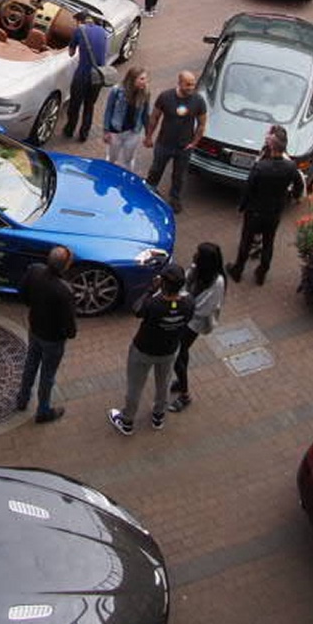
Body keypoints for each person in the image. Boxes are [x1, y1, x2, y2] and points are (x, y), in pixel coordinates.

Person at [109, 261, 193, 436]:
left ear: (163, 283)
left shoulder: (154, 304)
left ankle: (127, 420)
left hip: (143, 350)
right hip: (169, 351)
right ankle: (158, 415)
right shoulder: (188, 303)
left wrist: (150, 289)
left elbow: (137, 310)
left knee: (135, 386)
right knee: (163, 384)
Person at [231, 125, 306, 285]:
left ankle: (238, 270)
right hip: (274, 211)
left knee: (246, 241)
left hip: (255, 211)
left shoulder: (260, 167)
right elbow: (299, 184)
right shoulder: (291, 166)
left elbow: (249, 188)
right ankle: (262, 273)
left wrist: (242, 206)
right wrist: (293, 196)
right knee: (268, 242)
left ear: (271, 147)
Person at [13, 247, 78, 424]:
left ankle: (22, 399)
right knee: (47, 375)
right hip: (53, 339)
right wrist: (70, 333)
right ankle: (43, 410)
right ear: (65, 266)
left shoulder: (35, 270)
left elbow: (22, 293)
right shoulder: (64, 291)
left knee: (30, 364)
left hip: (35, 328)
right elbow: (69, 322)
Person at [168, 243, 227, 411]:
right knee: (182, 352)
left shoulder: (217, 282)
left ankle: (185, 395)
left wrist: (180, 310)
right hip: (184, 316)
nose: (195, 256)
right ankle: (181, 383)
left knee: (178, 356)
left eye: (198, 254)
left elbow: (203, 309)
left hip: (193, 323)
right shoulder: (195, 270)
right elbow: (183, 286)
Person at [144, 69, 206, 212]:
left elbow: (202, 124)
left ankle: (175, 198)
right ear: (179, 83)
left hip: (184, 147)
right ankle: (149, 191)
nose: (191, 88)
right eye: (188, 84)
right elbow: (154, 118)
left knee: (179, 175)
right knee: (156, 170)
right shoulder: (165, 97)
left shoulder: (198, 101)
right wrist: (148, 137)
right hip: (164, 143)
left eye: (193, 84)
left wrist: (194, 143)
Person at [63, 12, 111, 141]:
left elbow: (71, 53)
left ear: (80, 21)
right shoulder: (103, 31)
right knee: (89, 105)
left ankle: (69, 130)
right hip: (98, 76)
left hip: (83, 74)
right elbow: (104, 52)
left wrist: (75, 45)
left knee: (75, 104)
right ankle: (84, 134)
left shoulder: (79, 30)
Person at [101, 65, 152, 171]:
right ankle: (108, 173)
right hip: (116, 130)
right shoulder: (116, 90)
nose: (145, 82)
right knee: (112, 158)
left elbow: (145, 114)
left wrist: (148, 134)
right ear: (133, 79)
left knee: (128, 159)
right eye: (142, 79)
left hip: (133, 132)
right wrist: (106, 131)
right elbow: (109, 110)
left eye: (145, 78)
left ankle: (125, 176)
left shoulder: (145, 93)